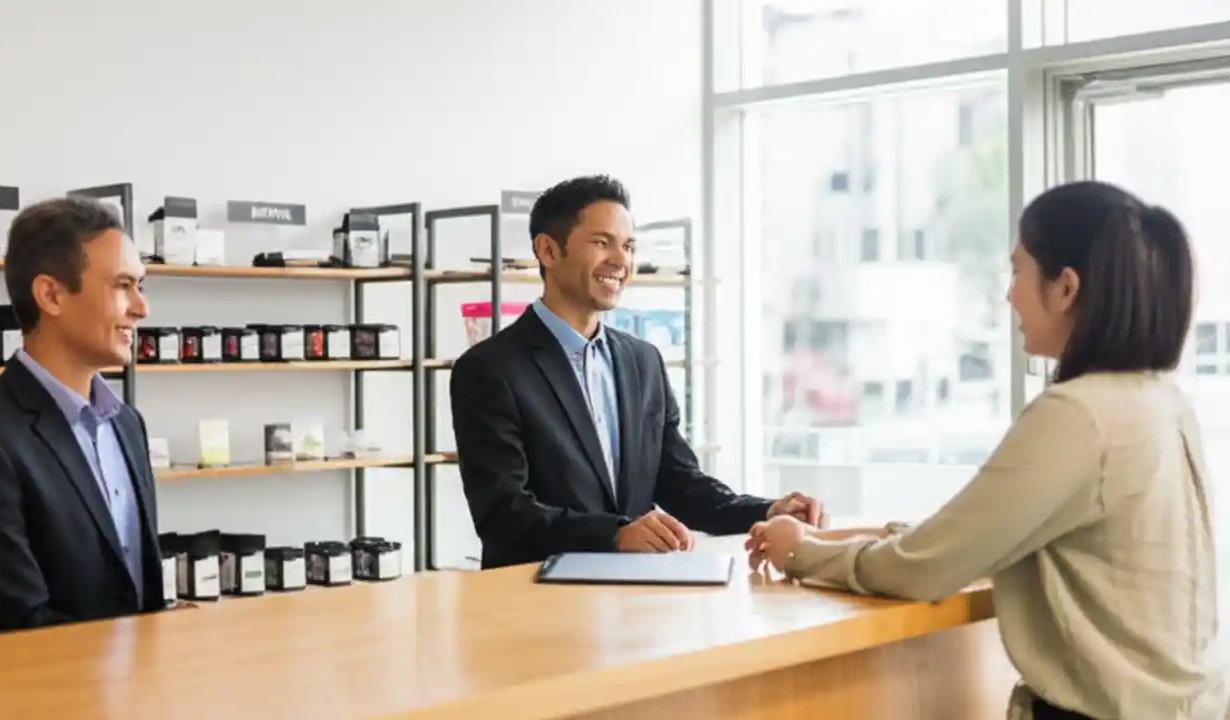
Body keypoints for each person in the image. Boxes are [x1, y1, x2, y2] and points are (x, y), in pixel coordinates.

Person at [746, 181, 1226, 720]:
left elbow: (927, 568)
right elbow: (987, 534)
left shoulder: (1079, 414)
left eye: (1018, 271)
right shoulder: (1160, 401)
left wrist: (800, 553)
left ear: (1065, 288)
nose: (1010, 295)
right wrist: (852, 537)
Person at [451, 175, 825, 569]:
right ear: (547, 250)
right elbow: (503, 515)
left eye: (628, 246)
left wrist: (768, 512)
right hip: (535, 592)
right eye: (602, 242)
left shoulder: (642, 361)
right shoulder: (489, 369)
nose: (621, 261)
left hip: (634, 591)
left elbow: (679, 483)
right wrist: (615, 534)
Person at [0, 197, 165, 635]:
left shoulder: (128, 425)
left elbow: (141, 595)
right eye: (123, 285)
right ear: (51, 295)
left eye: (140, 286)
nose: (142, 308)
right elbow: (14, 627)